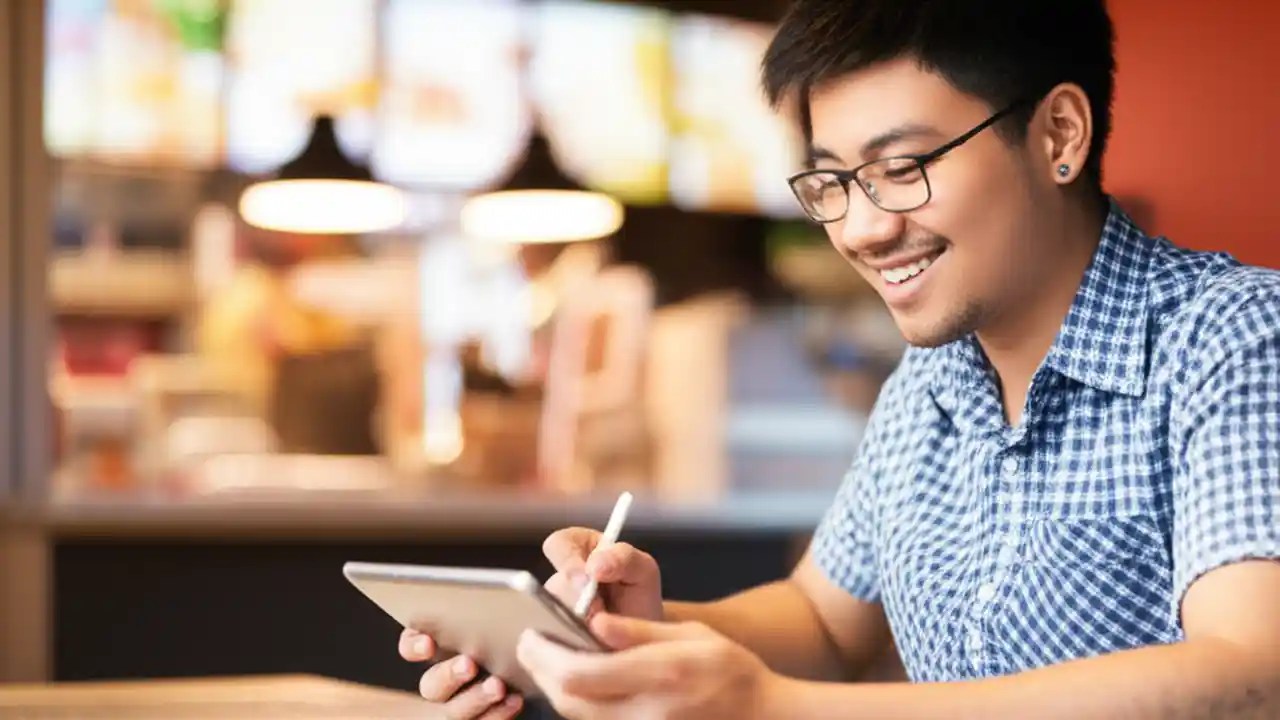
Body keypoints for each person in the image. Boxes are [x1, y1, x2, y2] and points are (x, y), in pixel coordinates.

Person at [397, 1, 1280, 717]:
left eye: (901, 167)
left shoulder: (1233, 338)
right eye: (832, 183)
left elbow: (1251, 677)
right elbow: (823, 619)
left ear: (1058, 135)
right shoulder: (934, 374)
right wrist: (626, 631)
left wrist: (775, 709)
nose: (861, 228)